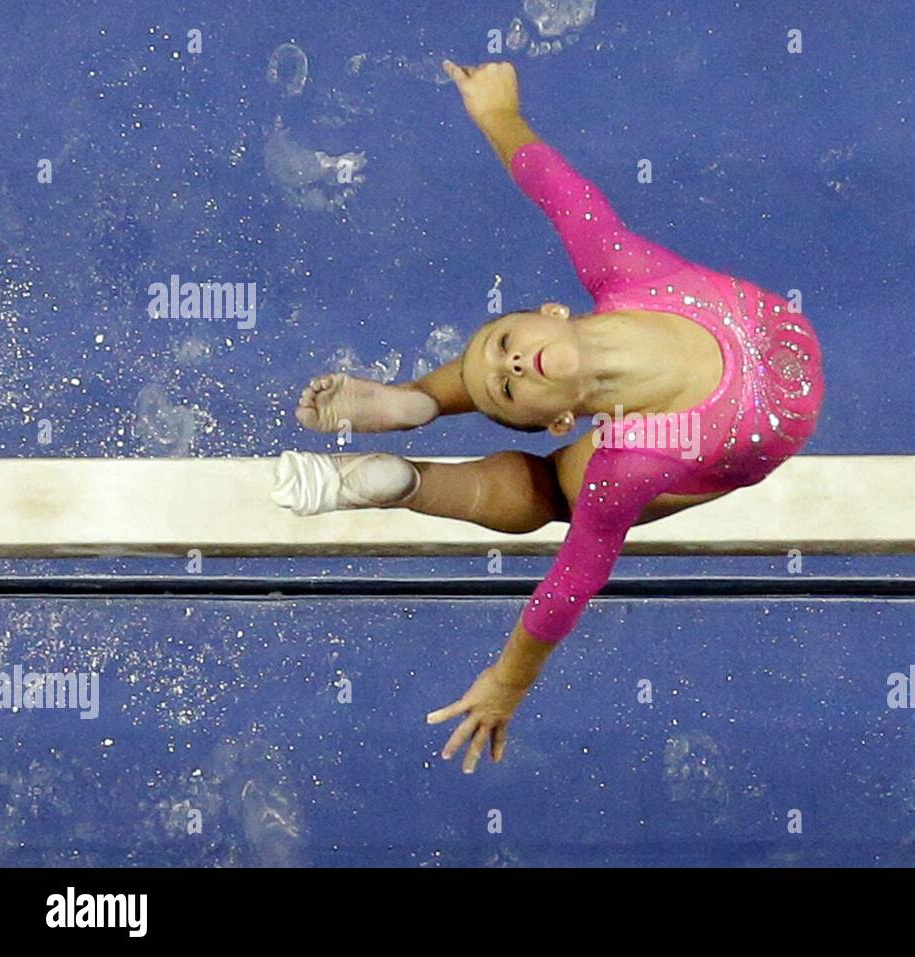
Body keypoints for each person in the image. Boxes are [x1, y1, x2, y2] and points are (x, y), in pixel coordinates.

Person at [272, 60, 824, 772]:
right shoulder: (623, 302)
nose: (512, 364)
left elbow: (574, 580)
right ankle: (411, 437)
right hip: (768, 366)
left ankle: (417, 441)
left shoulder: (627, 406)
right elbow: (558, 189)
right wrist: (500, 115)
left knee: (551, 474)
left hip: (760, 410)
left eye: (509, 342)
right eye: (504, 391)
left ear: (554, 306)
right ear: (563, 422)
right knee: (549, 459)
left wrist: (508, 681)